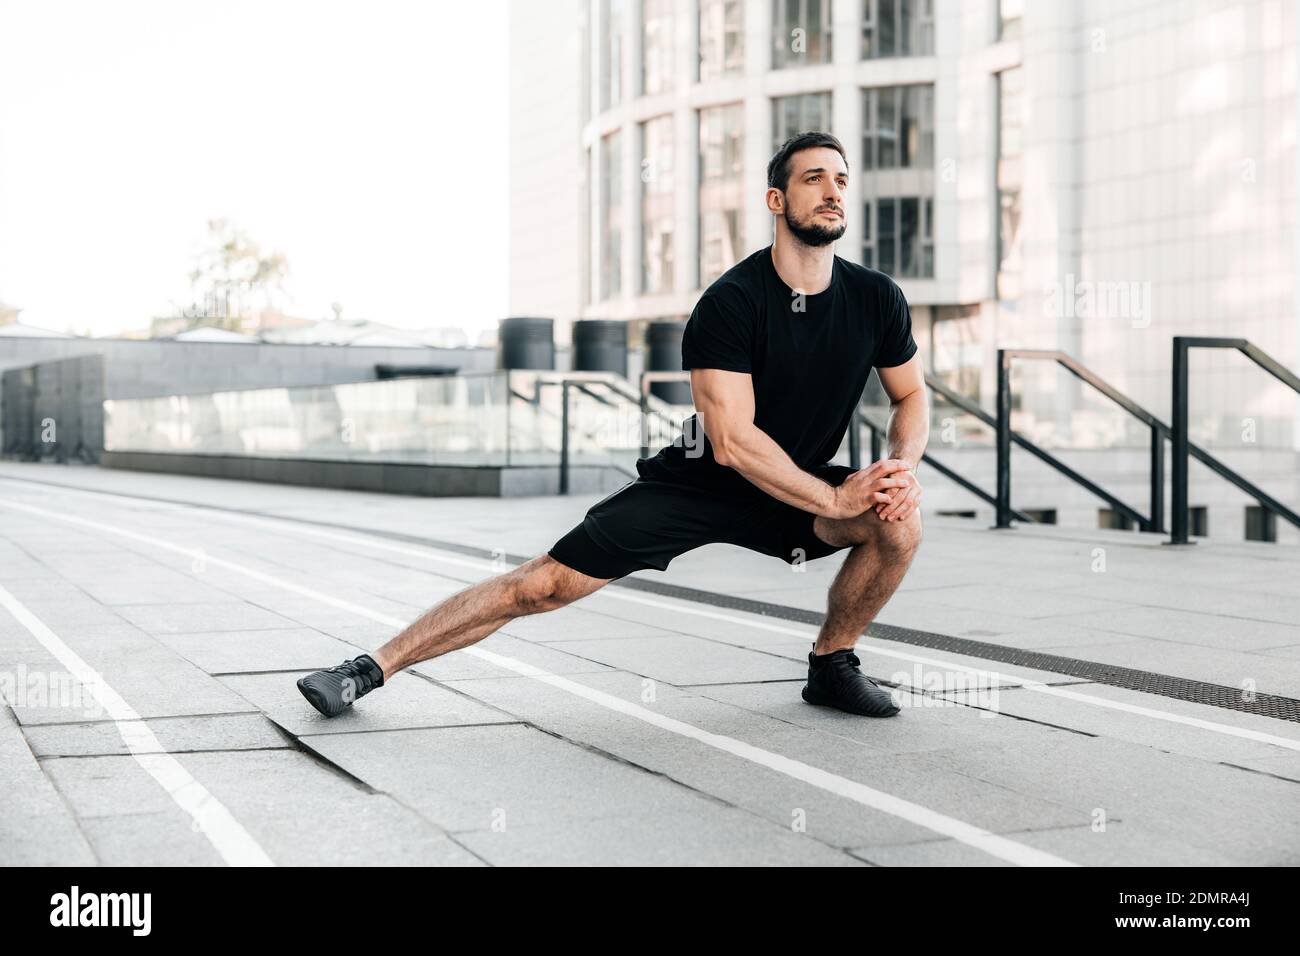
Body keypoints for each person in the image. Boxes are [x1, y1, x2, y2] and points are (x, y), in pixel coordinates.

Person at [297, 131, 929, 720]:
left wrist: (900, 469)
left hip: (795, 488)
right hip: (702, 484)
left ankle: (831, 664)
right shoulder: (731, 302)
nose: (832, 191)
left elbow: (910, 396)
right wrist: (833, 495)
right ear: (776, 198)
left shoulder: (875, 298)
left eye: (842, 181)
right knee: (542, 586)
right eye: (814, 178)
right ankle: (368, 668)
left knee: (897, 523)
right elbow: (733, 441)